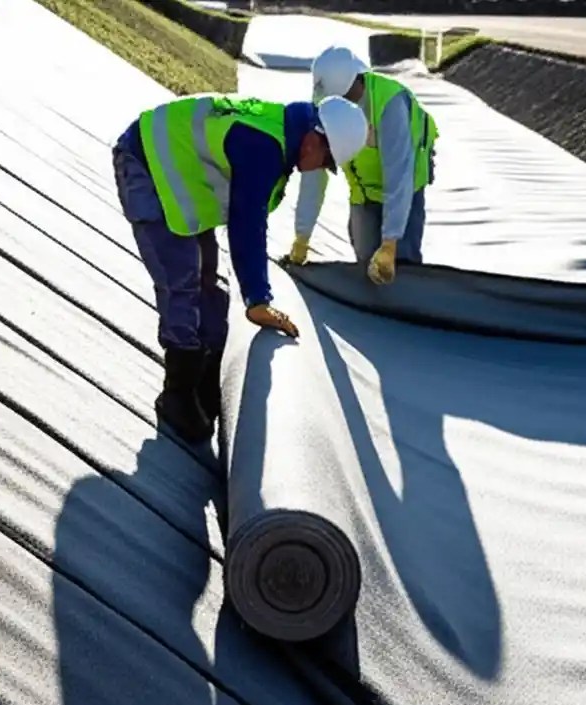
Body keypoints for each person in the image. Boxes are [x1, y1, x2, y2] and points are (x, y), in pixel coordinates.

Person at [112, 93, 368, 443]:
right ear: (313, 138)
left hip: (179, 179)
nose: (321, 168)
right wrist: (258, 299)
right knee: (181, 279)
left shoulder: (280, 136)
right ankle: (177, 392)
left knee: (210, 284)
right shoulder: (264, 144)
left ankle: (205, 379)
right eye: (326, 160)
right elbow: (246, 222)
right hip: (144, 162)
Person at [284, 45, 438, 285]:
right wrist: (302, 236)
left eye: (342, 98)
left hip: (404, 192)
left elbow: (398, 174)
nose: (338, 106)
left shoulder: (389, 104)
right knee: (366, 267)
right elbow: (313, 170)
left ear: (356, 83)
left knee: (401, 269)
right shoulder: (327, 108)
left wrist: (390, 240)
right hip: (363, 193)